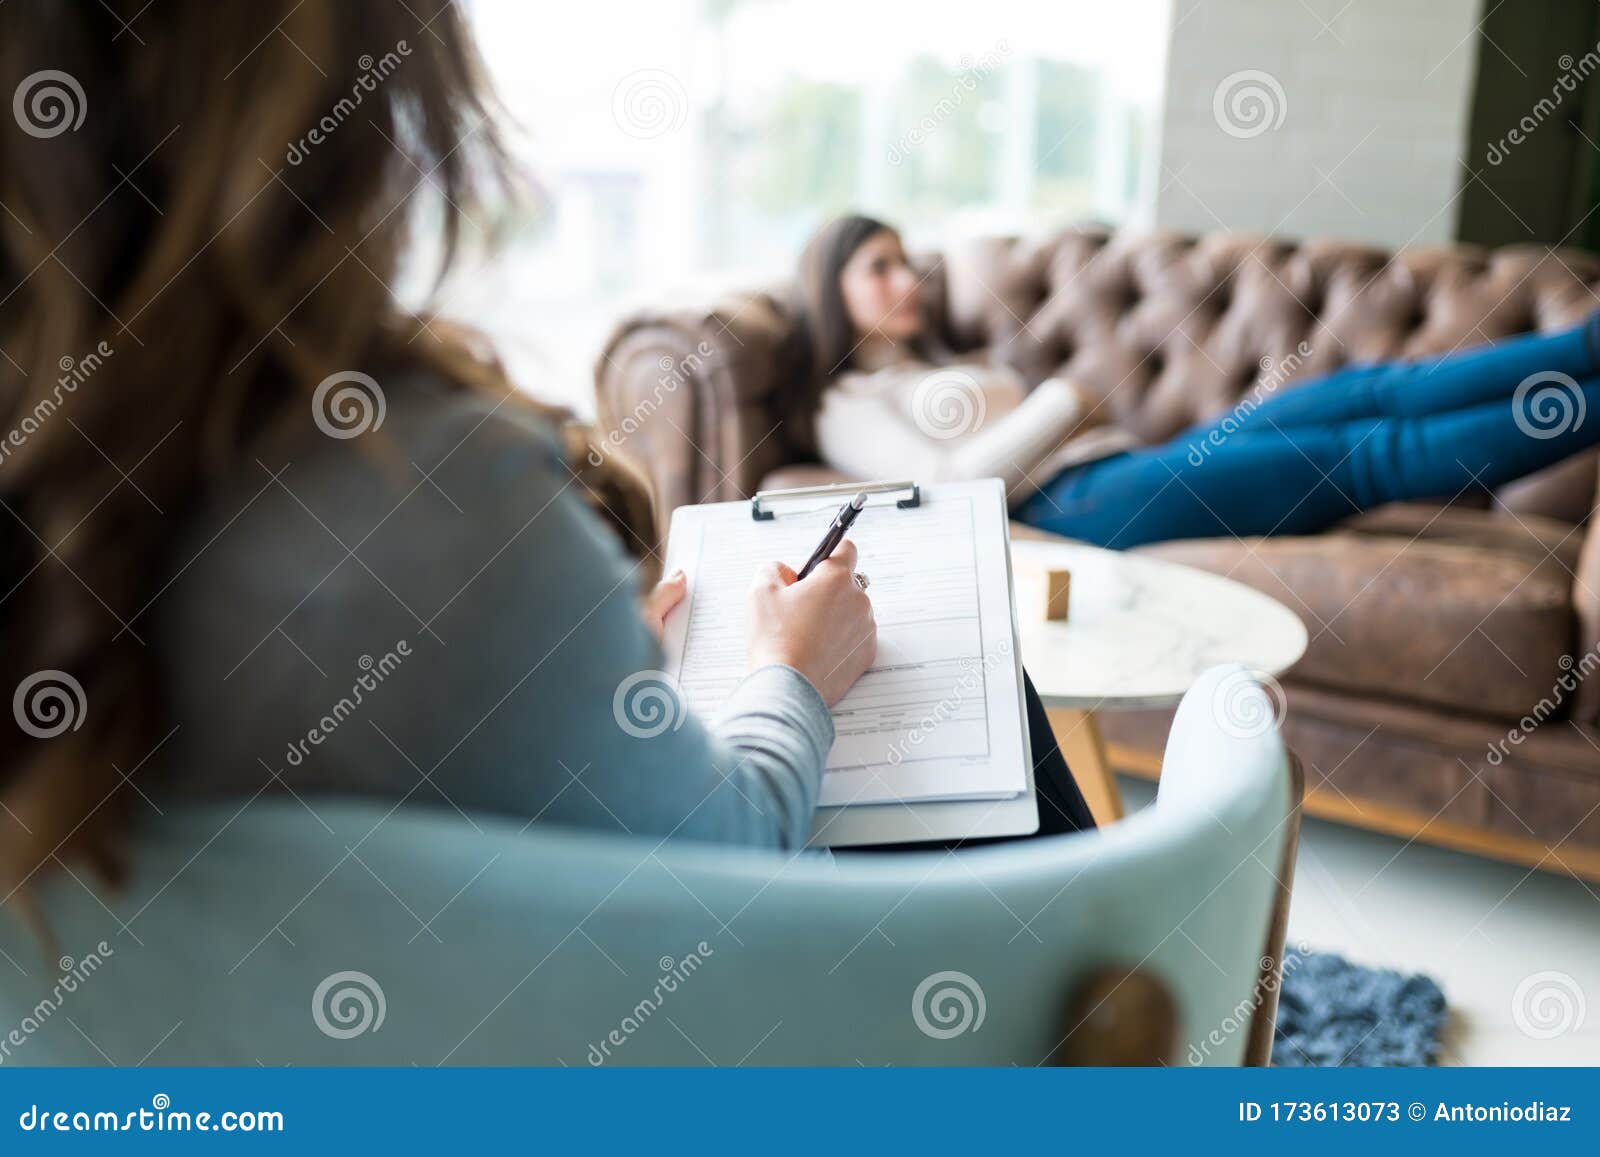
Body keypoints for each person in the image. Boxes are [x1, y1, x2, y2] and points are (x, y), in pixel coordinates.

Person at [0, 4, 1089, 901]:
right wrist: (792, 676)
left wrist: (577, 658)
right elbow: (727, 871)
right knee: (974, 690)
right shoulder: (427, 489)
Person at [801, 215, 1600, 549]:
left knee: (1369, 389)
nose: (906, 277)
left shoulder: (935, 361)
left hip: (1118, 466)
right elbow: (943, 484)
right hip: (1067, 506)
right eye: (879, 267)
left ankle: (1588, 341)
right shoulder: (846, 406)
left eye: (905, 259)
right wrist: (1061, 403)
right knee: (1366, 455)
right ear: (830, 285)